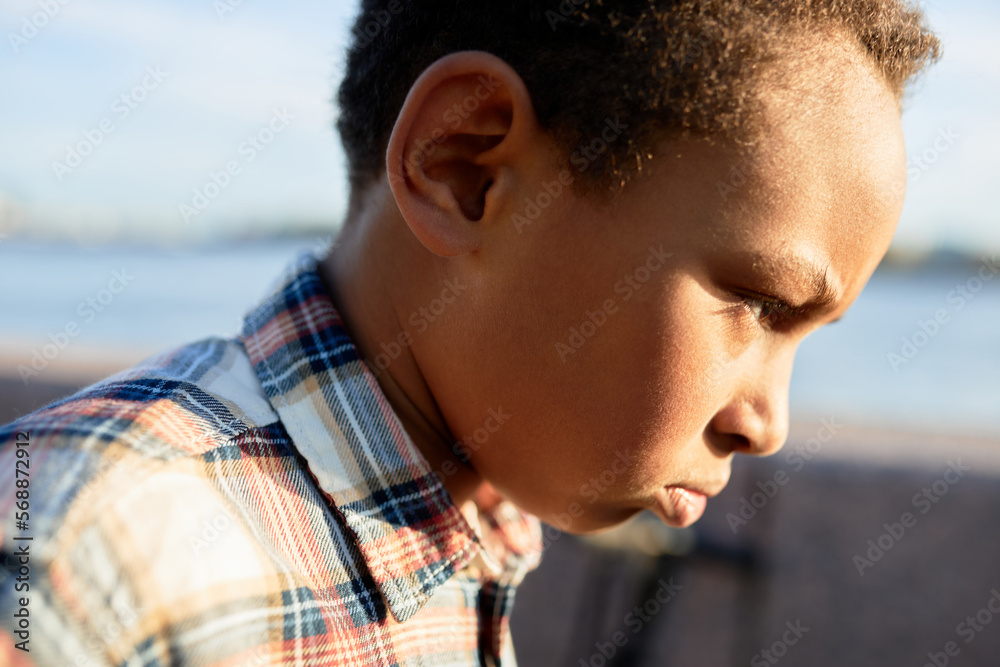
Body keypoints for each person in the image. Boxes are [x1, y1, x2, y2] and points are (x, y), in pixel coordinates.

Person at [0, 0, 939, 664]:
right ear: (466, 171)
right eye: (760, 303)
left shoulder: (473, 513)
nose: (767, 422)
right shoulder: (83, 558)